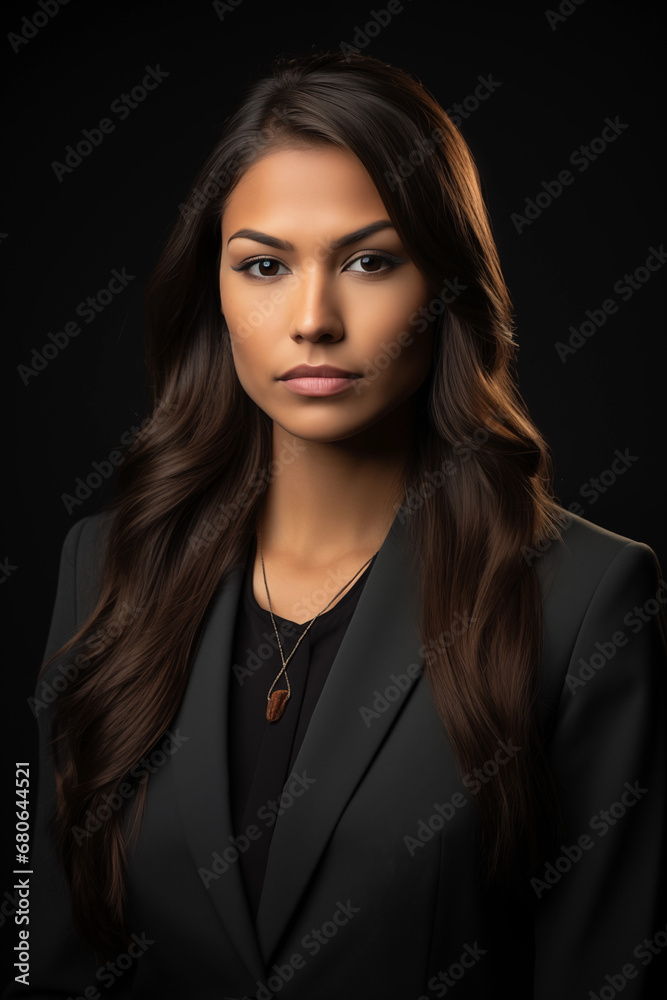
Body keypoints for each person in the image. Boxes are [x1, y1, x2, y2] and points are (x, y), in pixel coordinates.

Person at [4, 49, 665, 1000]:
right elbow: (37, 947)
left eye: (368, 261)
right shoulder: (103, 566)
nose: (312, 318)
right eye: (265, 265)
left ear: (445, 290)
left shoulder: (585, 600)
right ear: (215, 295)